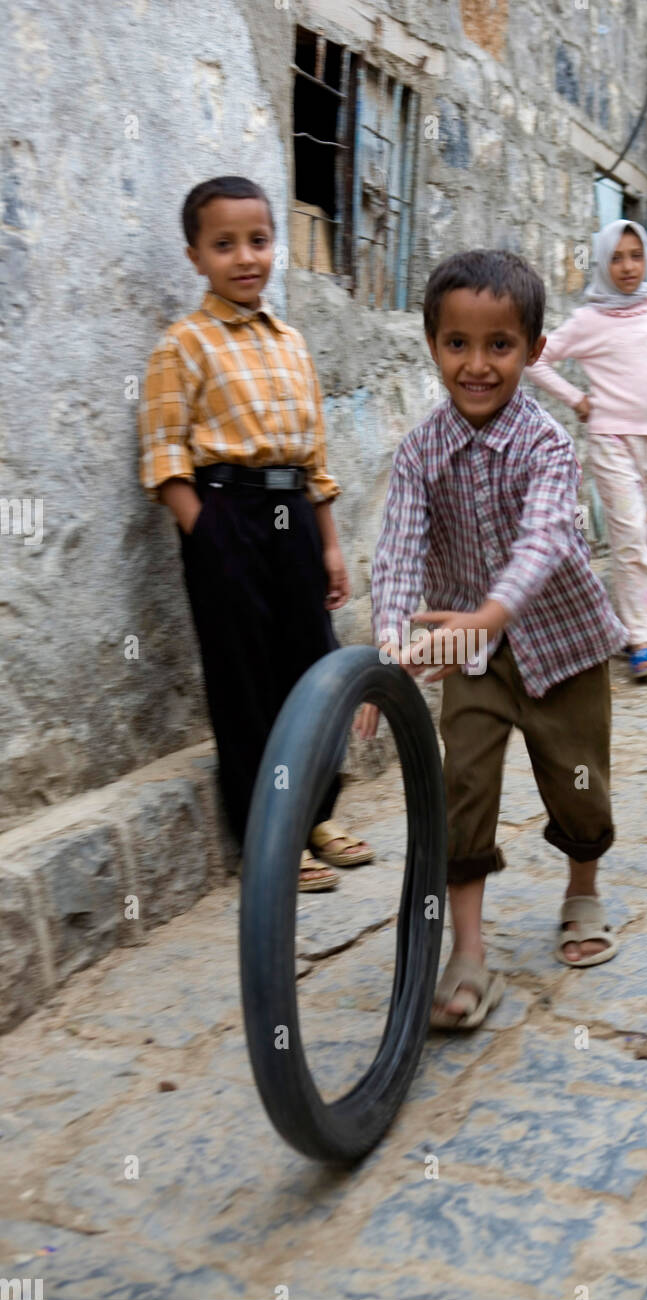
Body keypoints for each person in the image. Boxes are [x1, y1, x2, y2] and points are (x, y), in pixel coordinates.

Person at [358, 249, 628, 1029]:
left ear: (534, 352)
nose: (476, 365)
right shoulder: (418, 453)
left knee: (579, 784)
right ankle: (468, 951)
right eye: (456, 344)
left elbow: (545, 539)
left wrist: (492, 612)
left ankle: (582, 889)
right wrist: (388, 656)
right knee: (463, 789)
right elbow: (400, 551)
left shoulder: (547, 445)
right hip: (469, 653)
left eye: (499, 345)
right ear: (433, 344)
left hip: (564, 644)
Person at [139, 175, 373, 889]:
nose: (246, 257)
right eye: (225, 244)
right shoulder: (183, 346)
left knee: (313, 666)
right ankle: (267, 837)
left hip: (291, 516)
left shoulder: (292, 343)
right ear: (195, 255)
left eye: (259, 240)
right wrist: (203, 530)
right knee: (244, 681)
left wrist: (327, 542)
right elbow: (164, 451)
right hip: (227, 518)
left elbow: (313, 456)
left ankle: (317, 812)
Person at [524, 219, 647, 679]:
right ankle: (644, 643)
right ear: (603, 263)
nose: (627, 266)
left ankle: (626, 625)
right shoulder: (588, 320)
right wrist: (577, 400)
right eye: (617, 257)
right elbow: (536, 359)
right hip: (610, 442)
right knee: (629, 541)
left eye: (636, 256)